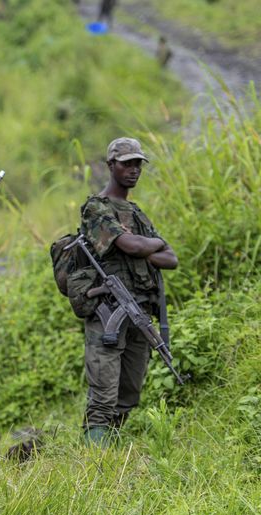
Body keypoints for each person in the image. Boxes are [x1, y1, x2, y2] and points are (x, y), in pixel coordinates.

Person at [80, 138, 178, 445]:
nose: (133, 170)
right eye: (126, 163)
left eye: (138, 164)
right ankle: (91, 460)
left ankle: (110, 450)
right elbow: (130, 245)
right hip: (108, 310)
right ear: (111, 165)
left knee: (129, 392)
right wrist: (147, 247)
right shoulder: (96, 208)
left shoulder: (136, 213)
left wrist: (144, 249)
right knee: (103, 394)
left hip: (139, 311)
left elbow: (171, 258)